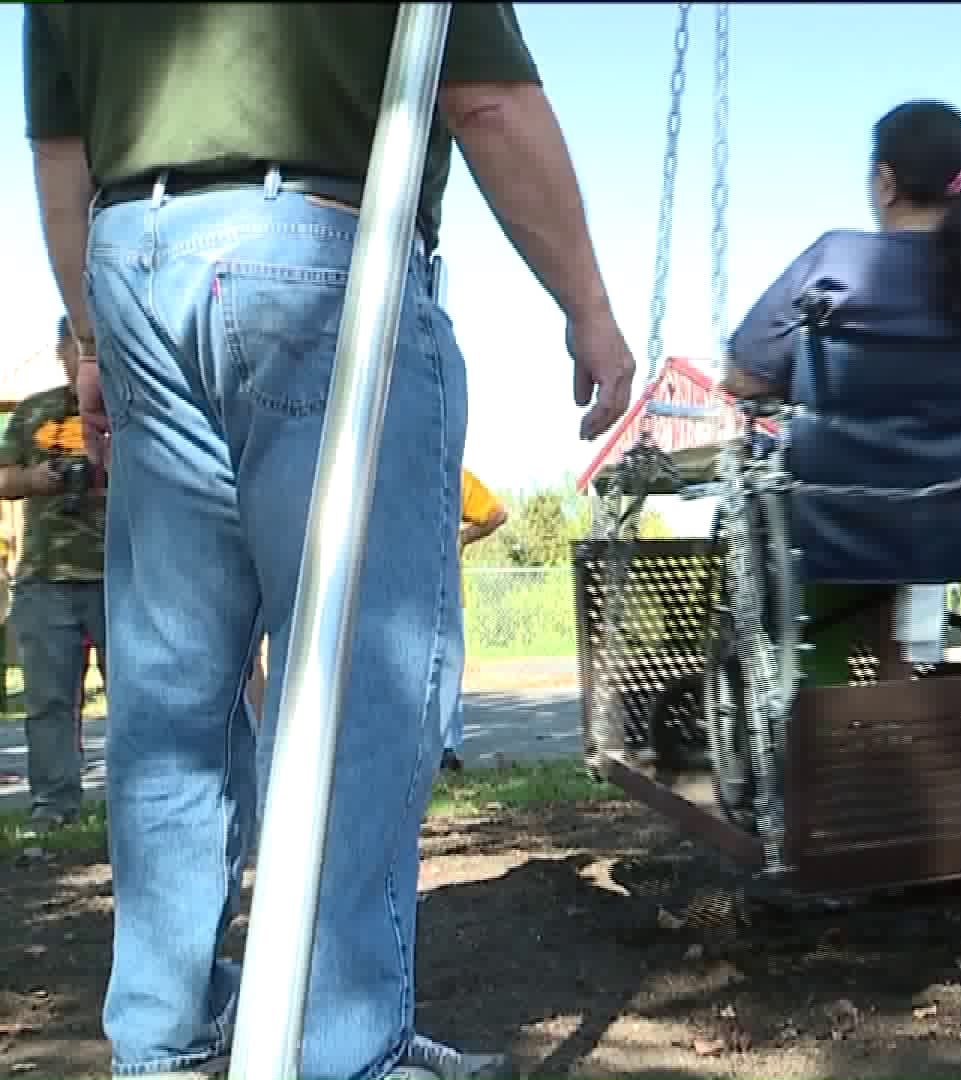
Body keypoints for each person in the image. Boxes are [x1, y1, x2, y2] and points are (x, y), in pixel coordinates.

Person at [25, 5, 635, 1078]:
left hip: (133, 266)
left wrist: (89, 337)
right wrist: (589, 307)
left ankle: (163, 1044)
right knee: (363, 680)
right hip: (316, 254)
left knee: (173, 691)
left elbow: (61, 150)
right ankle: (341, 1050)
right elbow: (488, 102)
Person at [723, 100, 961, 686]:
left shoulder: (836, 261)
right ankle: (899, 676)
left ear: (885, 182)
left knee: (813, 498)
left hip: (848, 508)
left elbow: (742, 377)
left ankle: (821, 698)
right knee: (905, 507)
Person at [0, 318, 106, 835]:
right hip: (45, 578)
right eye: (76, 345)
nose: (80, 356)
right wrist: (35, 479)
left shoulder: (132, 411)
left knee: (139, 696)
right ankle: (53, 806)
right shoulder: (33, 412)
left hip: (122, 575)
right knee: (48, 700)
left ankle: (140, 802)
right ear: (63, 349)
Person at [440, 468, 510, 772]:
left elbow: (497, 513)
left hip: (446, 592)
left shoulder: (454, 476)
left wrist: (464, 537)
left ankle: (445, 749)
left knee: (446, 667)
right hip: (407, 593)